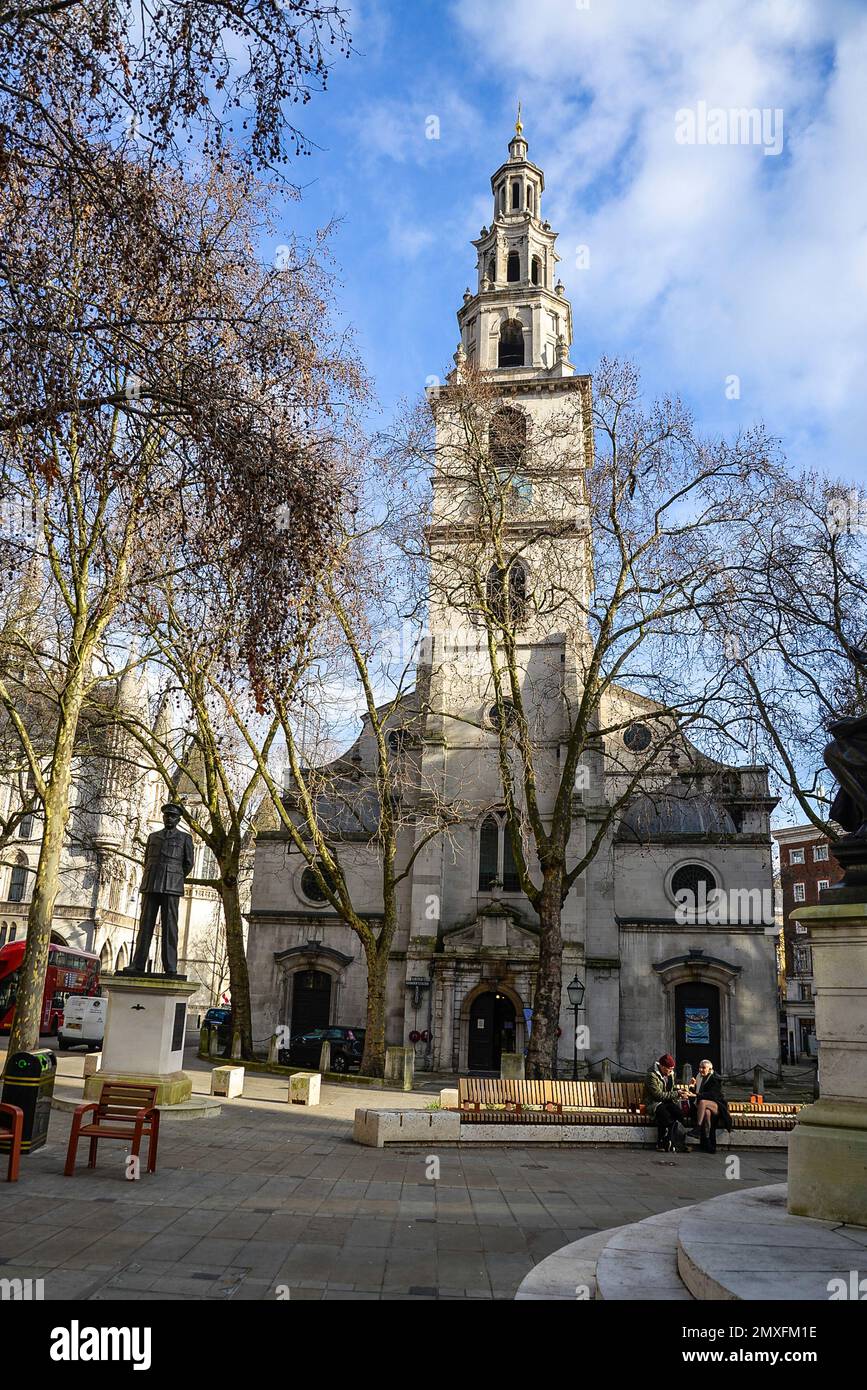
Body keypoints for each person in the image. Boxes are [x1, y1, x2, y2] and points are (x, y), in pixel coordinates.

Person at [686, 1059, 731, 1153]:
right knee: (707, 1113)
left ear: (710, 1069)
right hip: (706, 1108)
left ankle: (697, 1128)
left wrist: (696, 1095)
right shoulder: (699, 1077)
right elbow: (696, 1094)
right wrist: (691, 1086)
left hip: (717, 1105)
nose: (700, 1070)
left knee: (703, 1102)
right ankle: (708, 1144)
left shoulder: (715, 1078)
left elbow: (712, 1095)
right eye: (700, 1067)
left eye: (703, 1068)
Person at [643, 1053, 683, 1151]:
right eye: (669, 1069)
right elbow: (658, 1095)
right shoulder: (651, 1075)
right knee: (664, 1114)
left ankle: (669, 1141)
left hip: (667, 1102)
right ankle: (665, 1142)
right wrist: (676, 1093)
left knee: (678, 1113)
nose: (671, 1071)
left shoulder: (670, 1074)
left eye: (672, 1069)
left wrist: (681, 1093)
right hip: (654, 1103)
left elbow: (672, 1089)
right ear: (662, 1066)